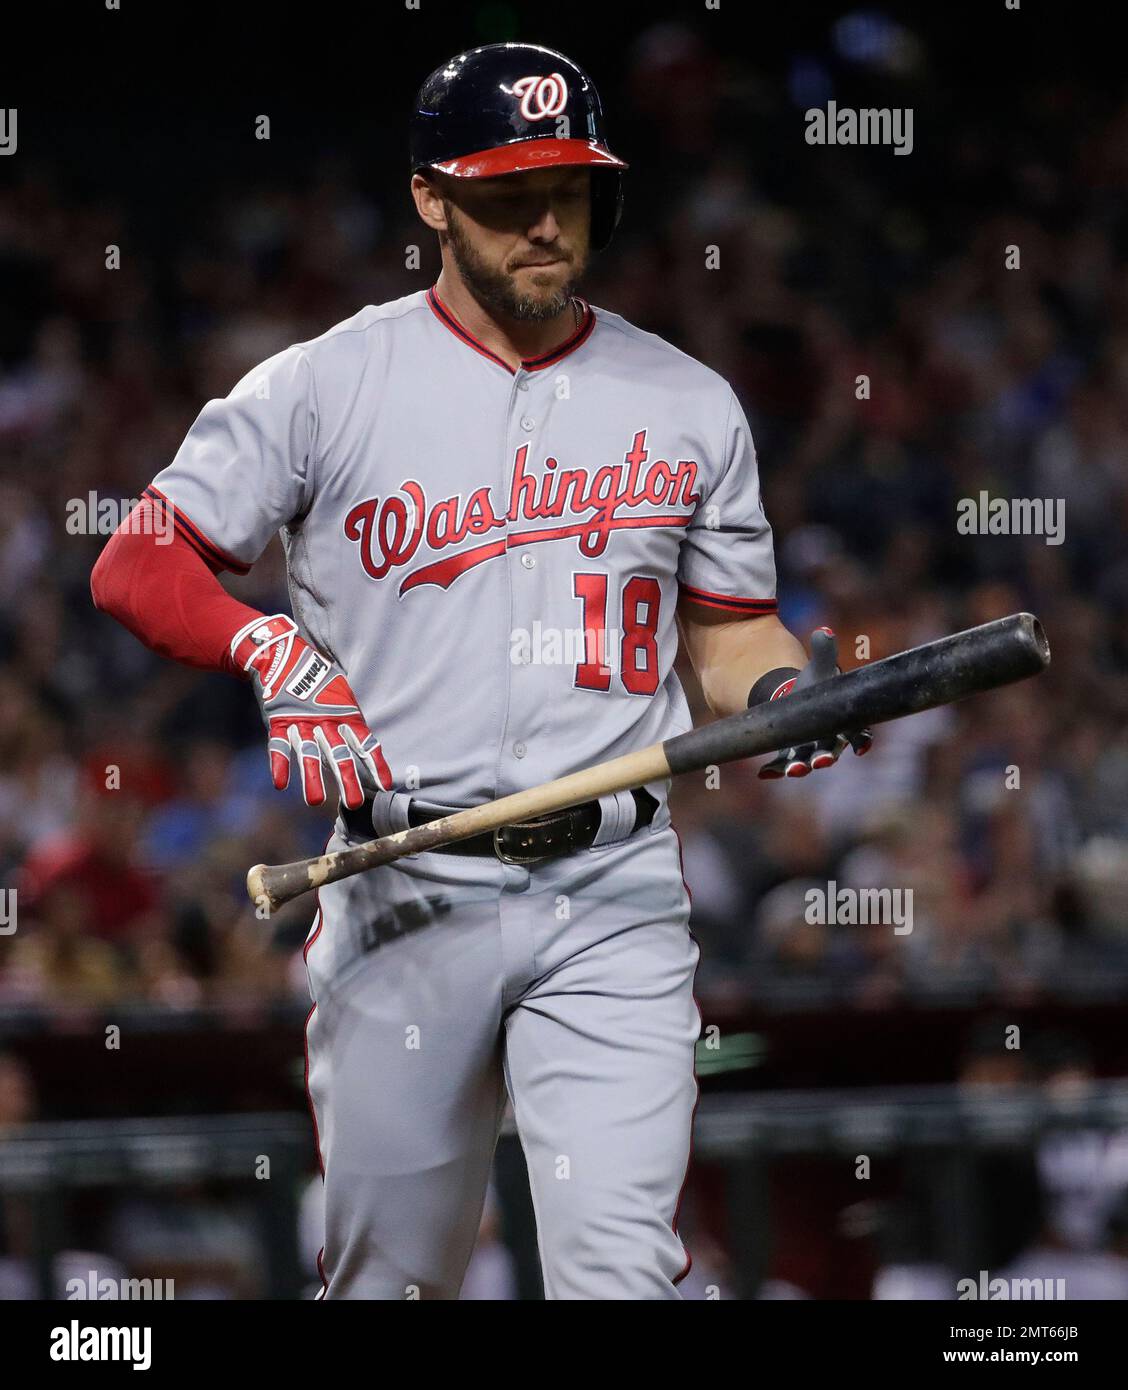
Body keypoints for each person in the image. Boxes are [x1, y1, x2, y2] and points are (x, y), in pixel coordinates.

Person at [91, 42, 868, 1299]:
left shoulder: (688, 401)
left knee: (622, 1272)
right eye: (508, 195)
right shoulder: (328, 384)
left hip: (612, 890)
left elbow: (730, 635)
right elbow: (135, 561)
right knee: (390, 1280)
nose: (547, 223)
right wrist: (271, 643)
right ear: (431, 197)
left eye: (570, 190)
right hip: (404, 882)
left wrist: (779, 694)